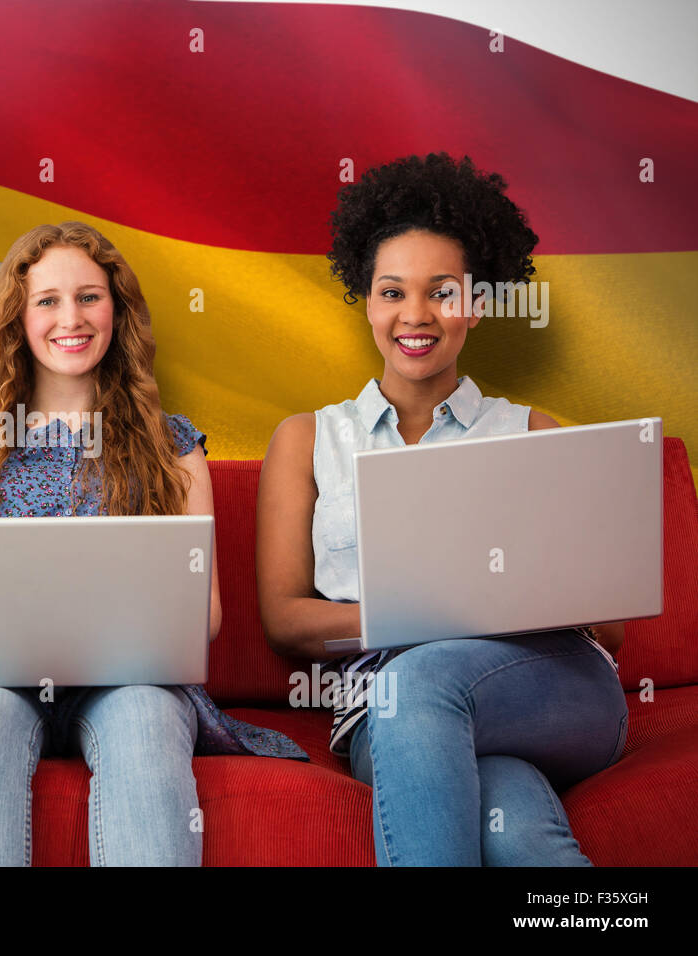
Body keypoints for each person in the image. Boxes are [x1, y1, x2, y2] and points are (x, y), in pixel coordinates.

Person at [255, 153, 628, 866]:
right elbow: (287, 621)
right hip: (389, 714)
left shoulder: (535, 433)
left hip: (555, 690)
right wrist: (434, 614)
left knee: (418, 677)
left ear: (478, 305)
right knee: (515, 828)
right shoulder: (309, 439)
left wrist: (494, 608)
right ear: (365, 300)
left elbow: (608, 629)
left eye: (442, 292)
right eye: (392, 291)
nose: (416, 315)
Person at [0, 221, 306, 867]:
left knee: (144, 716)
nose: (72, 317)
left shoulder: (173, 446)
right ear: (17, 317)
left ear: (116, 310)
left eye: (90, 296)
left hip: (133, 683)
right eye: (48, 300)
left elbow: (205, 617)